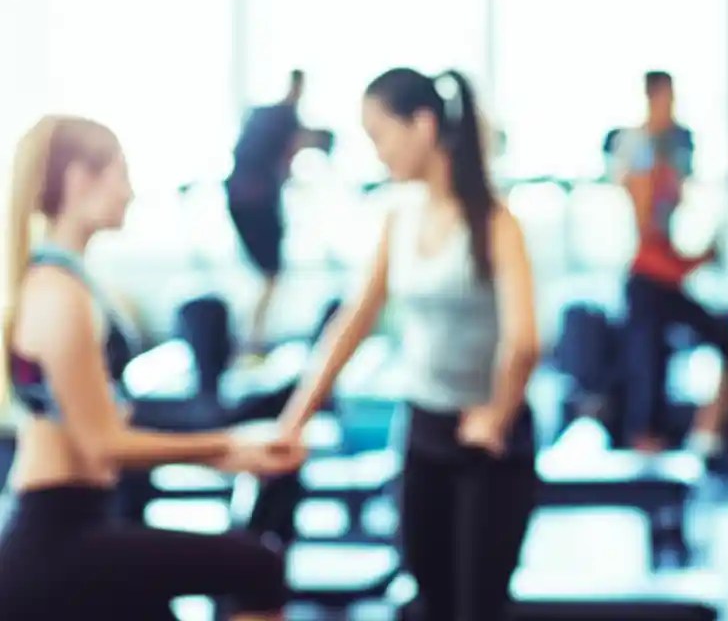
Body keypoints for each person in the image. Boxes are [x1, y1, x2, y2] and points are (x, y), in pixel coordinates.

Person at [0, 116, 307, 620]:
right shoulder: (60, 295)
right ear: (79, 179)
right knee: (257, 566)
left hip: (78, 520)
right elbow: (105, 444)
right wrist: (232, 446)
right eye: (120, 173)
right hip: (56, 534)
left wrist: (229, 454)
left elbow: (113, 423)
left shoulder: (65, 282)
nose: (130, 191)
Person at [277, 68, 540, 621]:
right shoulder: (398, 217)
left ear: (422, 126)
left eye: (380, 135)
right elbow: (352, 323)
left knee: (476, 607)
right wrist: (293, 421)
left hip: (487, 444)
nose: (378, 154)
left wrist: (496, 415)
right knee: (428, 600)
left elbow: (523, 341)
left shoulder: (495, 223)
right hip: (422, 431)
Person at [610, 70, 728, 455]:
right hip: (647, 281)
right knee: (648, 374)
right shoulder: (642, 155)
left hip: (661, 278)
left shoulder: (670, 151)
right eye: (666, 99)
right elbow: (650, 237)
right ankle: (654, 450)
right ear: (652, 98)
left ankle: (705, 431)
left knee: (723, 342)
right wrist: (696, 260)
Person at [225, 69, 307, 359]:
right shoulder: (287, 118)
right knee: (271, 276)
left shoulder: (262, 114)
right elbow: (287, 162)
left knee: (266, 276)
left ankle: (249, 341)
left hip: (237, 199)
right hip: (257, 201)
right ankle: (251, 344)